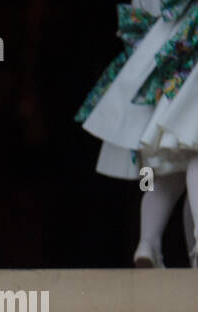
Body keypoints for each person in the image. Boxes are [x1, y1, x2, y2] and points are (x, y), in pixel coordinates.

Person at [76, 0, 198, 266]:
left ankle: (148, 242)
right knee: (194, 161)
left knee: (164, 174)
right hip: (189, 75)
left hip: (167, 83)